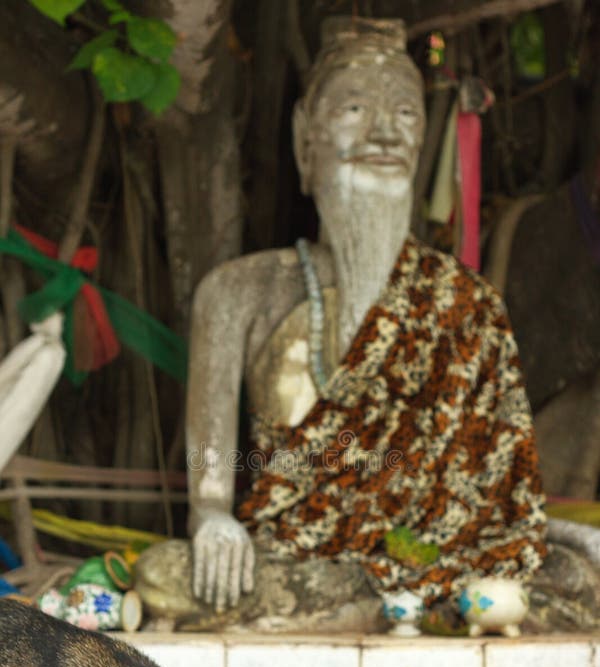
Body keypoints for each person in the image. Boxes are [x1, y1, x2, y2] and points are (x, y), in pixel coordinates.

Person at [139, 17, 546, 632]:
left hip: (433, 555)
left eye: (407, 114)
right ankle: (386, 609)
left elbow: (499, 494)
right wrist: (212, 517)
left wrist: (450, 548)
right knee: (167, 574)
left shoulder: (468, 305)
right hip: (292, 553)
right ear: (306, 140)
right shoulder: (237, 291)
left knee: (561, 576)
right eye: (355, 108)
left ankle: (383, 604)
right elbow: (214, 482)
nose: (385, 131)